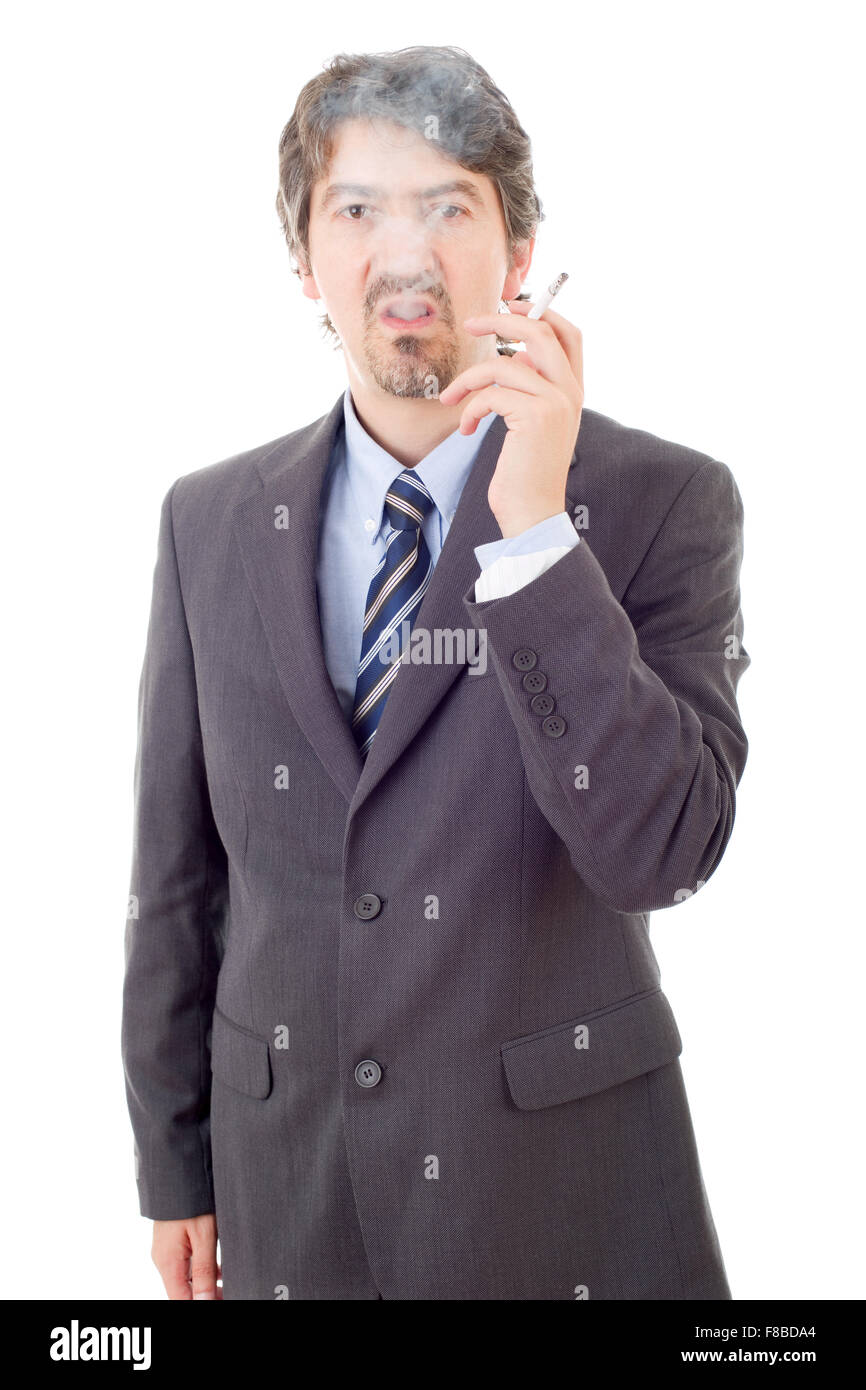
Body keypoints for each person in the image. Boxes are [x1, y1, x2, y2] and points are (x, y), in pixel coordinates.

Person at [122, 45, 750, 1301]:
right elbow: (177, 875)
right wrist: (171, 1156)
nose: (402, 254)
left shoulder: (664, 501)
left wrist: (534, 534)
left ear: (517, 255)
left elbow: (662, 852)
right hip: (288, 1186)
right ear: (304, 259)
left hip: (559, 1199)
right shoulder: (209, 520)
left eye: (447, 207)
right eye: (356, 209)